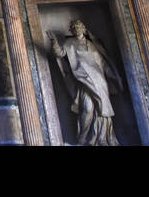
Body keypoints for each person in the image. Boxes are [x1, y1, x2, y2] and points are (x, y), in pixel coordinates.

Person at [48, 18, 124, 146]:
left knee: (102, 110)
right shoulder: (69, 43)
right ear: (71, 30)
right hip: (83, 80)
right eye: (74, 27)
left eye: (79, 27)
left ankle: (102, 138)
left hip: (99, 81)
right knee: (87, 108)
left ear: (83, 29)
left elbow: (103, 63)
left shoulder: (92, 44)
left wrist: (112, 76)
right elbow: (60, 54)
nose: (77, 29)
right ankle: (83, 139)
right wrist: (54, 42)